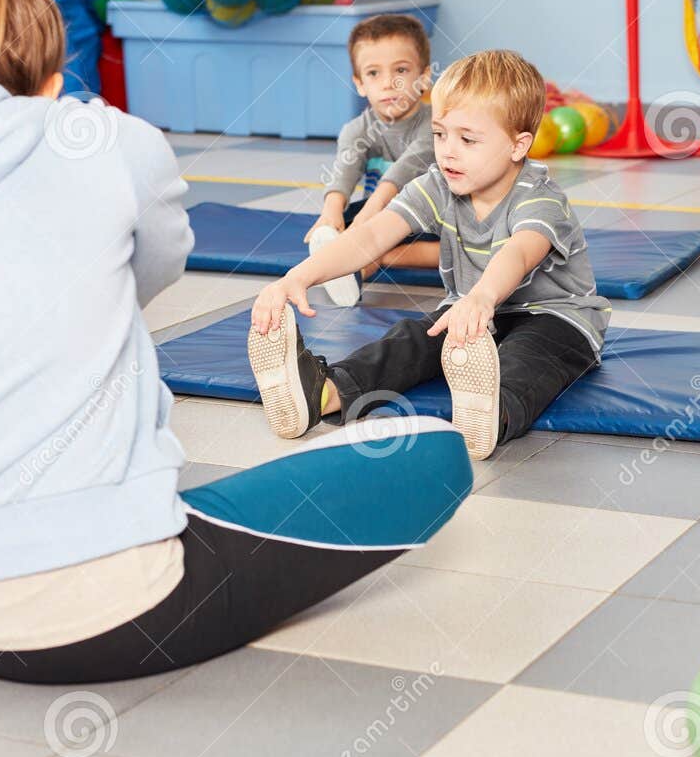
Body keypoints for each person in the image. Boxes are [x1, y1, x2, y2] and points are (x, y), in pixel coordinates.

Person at [0, 0, 469, 685]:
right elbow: (147, 273)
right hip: (93, 607)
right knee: (430, 454)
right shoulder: (112, 144)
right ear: (51, 86)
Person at [249, 49, 608, 460]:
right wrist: (298, 277)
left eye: (467, 139)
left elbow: (520, 253)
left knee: (529, 355)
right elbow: (371, 236)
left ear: (517, 145)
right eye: (440, 134)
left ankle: (494, 413)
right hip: (472, 313)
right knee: (411, 340)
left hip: (556, 317)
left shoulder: (539, 197)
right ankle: (322, 392)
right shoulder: (439, 184)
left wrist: (482, 298)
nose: (448, 151)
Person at [309, 12, 441, 305]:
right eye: (373, 74)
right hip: (378, 218)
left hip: (427, 222)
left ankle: (372, 258)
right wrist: (330, 214)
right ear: (359, 83)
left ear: (424, 77)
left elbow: (399, 177)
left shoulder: (435, 125)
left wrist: (365, 229)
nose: (388, 84)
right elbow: (343, 172)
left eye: (401, 71)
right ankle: (347, 271)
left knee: (461, 243)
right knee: (342, 219)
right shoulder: (356, 129)